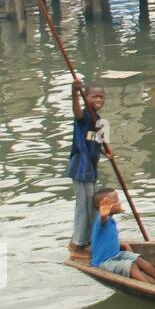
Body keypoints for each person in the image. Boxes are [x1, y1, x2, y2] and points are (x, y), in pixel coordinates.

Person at [67, 81, 111, 258]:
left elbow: (97, 141)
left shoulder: (100, 120)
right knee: (84, 206)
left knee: (92, 205)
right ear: (86, 98)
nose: (98, 99)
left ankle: (83, 240)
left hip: (91, 170)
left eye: (101, 96)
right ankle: (78, 246)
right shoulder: (84, 116)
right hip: (80, 168)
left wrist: (107, 151)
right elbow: (76, 111)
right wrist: (74, 92)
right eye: (94, 96)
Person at [89, 188, 155, 284]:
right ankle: (150, 287)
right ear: (103, 207)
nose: (119, 203)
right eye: (115, 201)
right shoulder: (101, 221)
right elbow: (103, 220)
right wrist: (103, 215)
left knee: (139, 260)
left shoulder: (111, 220)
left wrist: (123, 244)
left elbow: (108, 238)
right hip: (104, 262)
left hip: (116, 255)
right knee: (132, 266)